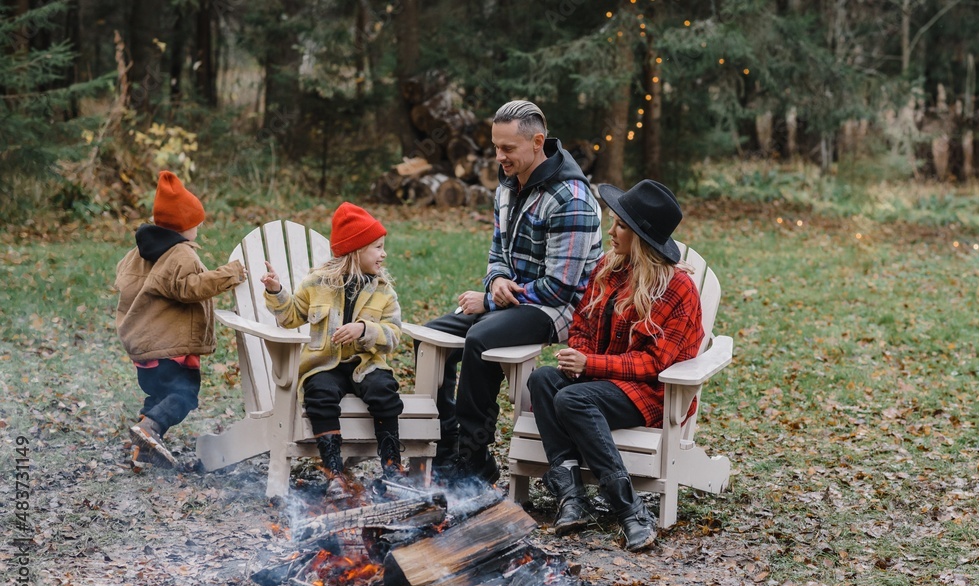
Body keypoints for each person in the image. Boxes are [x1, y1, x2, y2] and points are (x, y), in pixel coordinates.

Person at [424, 99, 603, 485]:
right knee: (431, 336)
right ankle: (445, 445)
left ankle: (474, 458)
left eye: (507, 148)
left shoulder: (571, 198)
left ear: (537, 142)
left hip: (561, 309)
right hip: (516, 299)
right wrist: (496, 280)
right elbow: (496, 252)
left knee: (480, 337)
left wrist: (490, 300)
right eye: (495, 146)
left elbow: (560, 287)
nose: (498, 156)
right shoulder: (507, 186)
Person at [525, 179, 705, 552]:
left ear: (641, 236)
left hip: (655, 393)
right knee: (543, 380)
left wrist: (590, 363)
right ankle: (572, 497)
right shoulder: (609, 269)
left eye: (621, 225)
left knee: (571, 401)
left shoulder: (677, 289)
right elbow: (581, 326)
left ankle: (630, 510)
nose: (611, 230)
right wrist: (579, 359)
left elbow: (656, 364)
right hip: (601, 381)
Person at [260, 202, 407, 497]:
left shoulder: (383, 291)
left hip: (365, 363)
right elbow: (290, 317)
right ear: (356, 250)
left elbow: (394, 334)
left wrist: (365, 330)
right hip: (324, 364)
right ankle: (334, 474)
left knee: (384, 389)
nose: (383, 254)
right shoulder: (317, 284)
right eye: (377, 247)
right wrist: (276, 291)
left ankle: (392, 469)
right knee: (320, 394)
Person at [115, 171, 248, 470]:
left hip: (144, 347)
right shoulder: (181, 254)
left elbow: (125, 281)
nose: (200, 227)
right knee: (184, 395)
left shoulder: (136, 253)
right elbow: (190, 288)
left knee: (159, 394)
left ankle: (144, 446)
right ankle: (150, 429)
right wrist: (230, 273)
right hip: (170, 348)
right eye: (196, 223)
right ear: (184, 226)